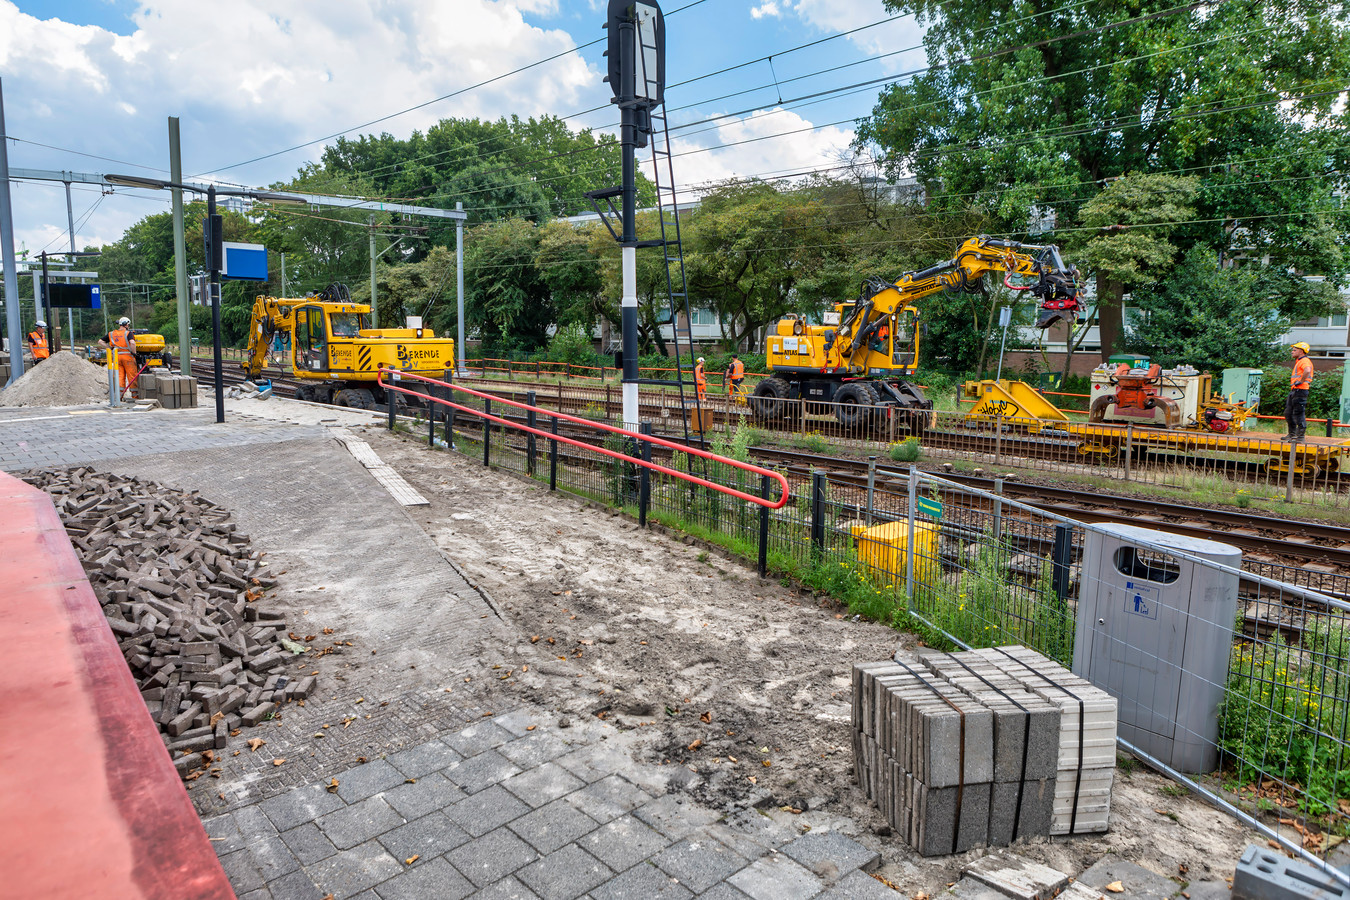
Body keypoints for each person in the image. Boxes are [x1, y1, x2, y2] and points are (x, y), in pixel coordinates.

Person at [100, 317, 139, 397]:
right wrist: (134, 353)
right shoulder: (128, 333)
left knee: (120, 376)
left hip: (117, 357)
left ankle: (120, 396)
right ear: (126, 324)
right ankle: (135, 396)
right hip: (128, 357)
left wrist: (110, 348)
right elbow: (132, 343)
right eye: (128, 324)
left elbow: (100, 341)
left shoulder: (112, 334)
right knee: (132, 376)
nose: (128, 326)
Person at [1285, 341, 1314, 442]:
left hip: (1301, 390)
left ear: (1301, 351)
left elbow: (1307, 370)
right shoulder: (1299, 361)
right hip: (1295, 390)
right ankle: (1292, 434)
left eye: (1294, 350)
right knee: (1288, 412)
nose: (1292, 352)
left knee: (1298, 413)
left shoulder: (1305, 361)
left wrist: (1300, 381)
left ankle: (1300, 437)